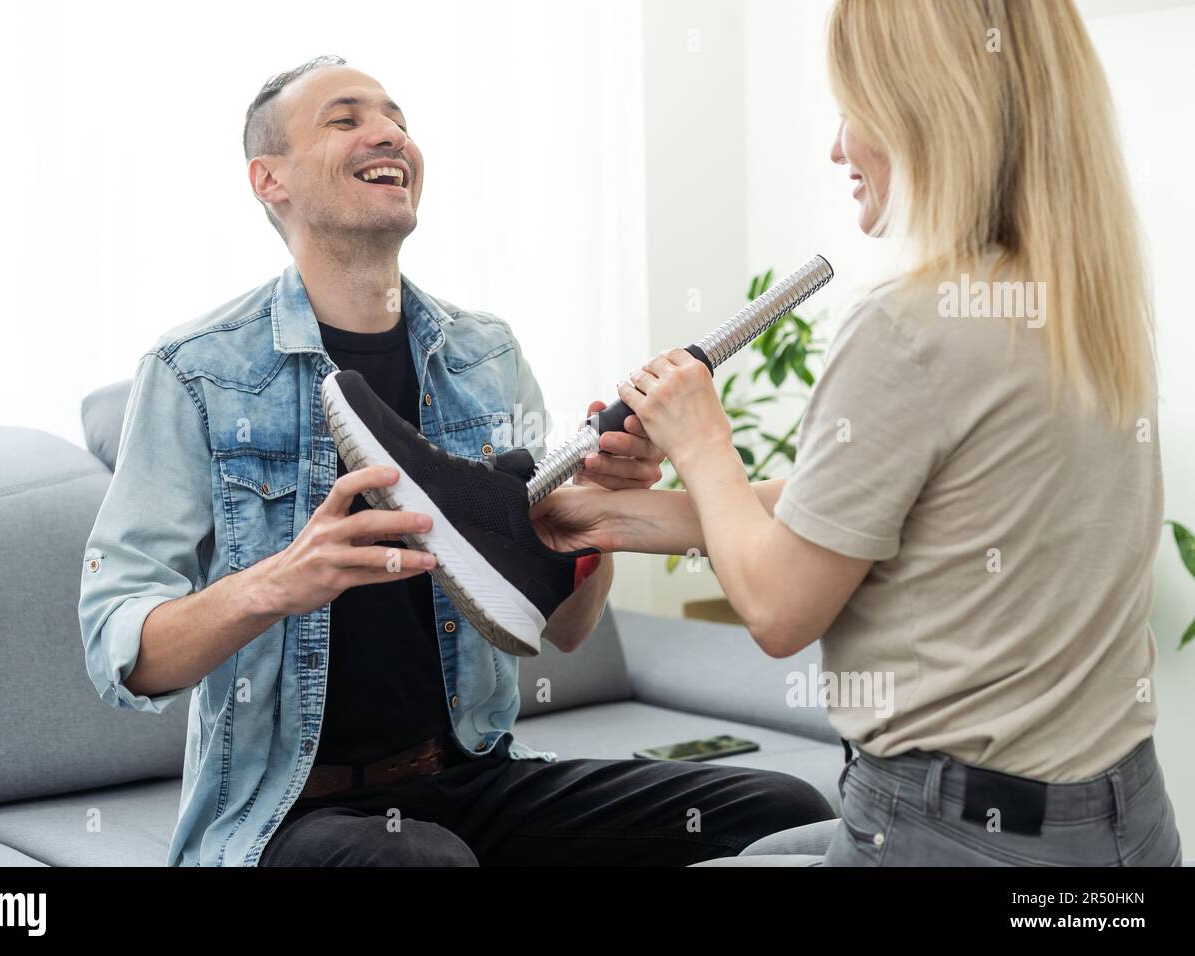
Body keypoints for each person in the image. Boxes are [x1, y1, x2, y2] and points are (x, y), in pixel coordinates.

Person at [77, 55, 834, 867]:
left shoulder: (484, 354)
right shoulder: (196, 372)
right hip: (283, 815)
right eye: (345, 118)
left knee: (781, 810)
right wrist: (276, 584)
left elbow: (567, 631)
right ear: (270, 180)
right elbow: (121, 650)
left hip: (475, 781)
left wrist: (597, 524)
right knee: (423, 862)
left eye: (396, 117)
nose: (388, 132)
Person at [532, 0, 1182, 866]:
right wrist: (608, 520)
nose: (836, 147)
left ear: (925, 108)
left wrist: (701, 437)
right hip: (1123, 823)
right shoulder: (1080, 301)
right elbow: (837, 515)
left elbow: (779, 610)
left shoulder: (906, 325)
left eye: (851, 110)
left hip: (952, 834)